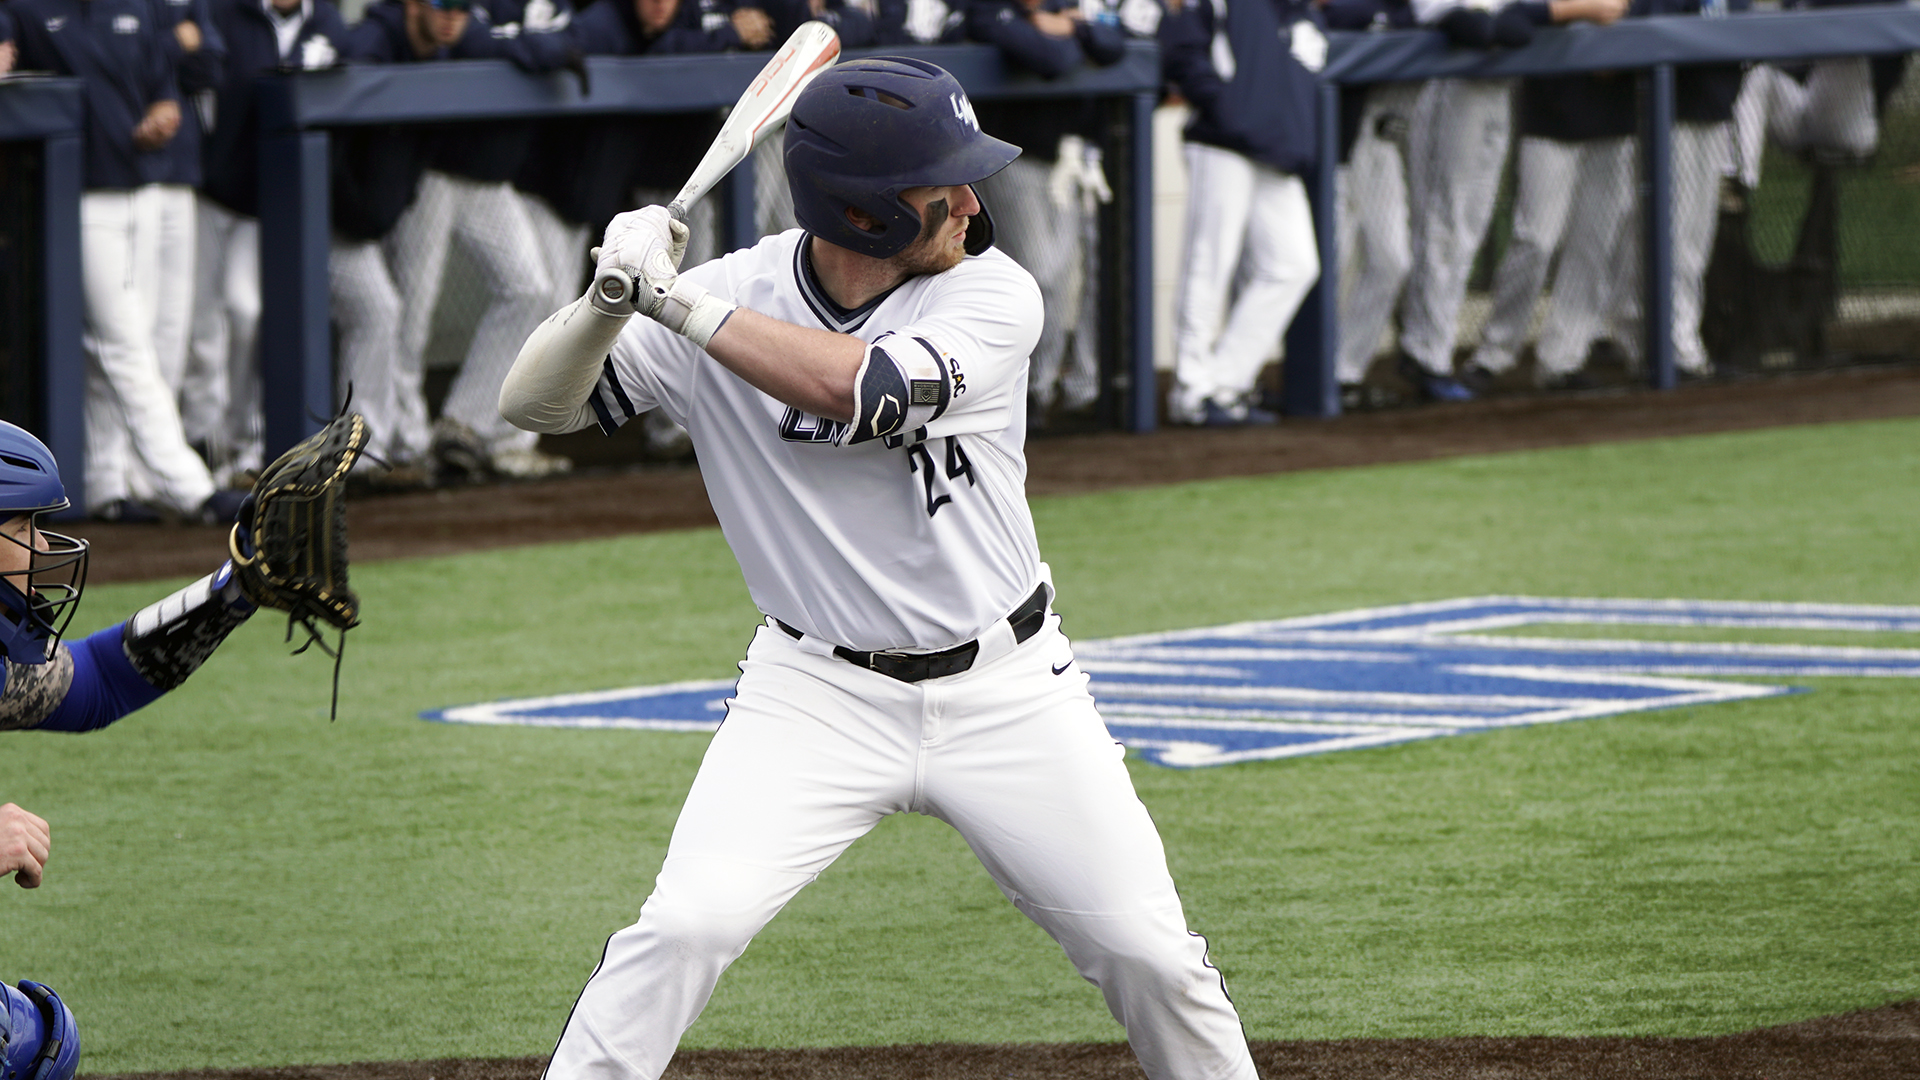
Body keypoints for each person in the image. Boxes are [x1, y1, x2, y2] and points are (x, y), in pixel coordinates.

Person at [498, 57, 1259, 1080]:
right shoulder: (731, 293)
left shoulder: (993, 294)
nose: (971, 202)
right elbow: (535, 407)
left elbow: (866, 390)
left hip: (1009, 689)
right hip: (814, 695)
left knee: (1151, 956)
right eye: (942, 184)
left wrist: (672, 306)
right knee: (685, 927)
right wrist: (604, 298)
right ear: (866, 214)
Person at [3, 0, 244, 522]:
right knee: (123, 345)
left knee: (137, 344)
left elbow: (169, 82)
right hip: (80, 195)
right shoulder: (27, 7)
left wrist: (162, 110)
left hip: (147, 186)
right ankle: (191, 488)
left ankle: (108, 483)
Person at [1393, 0, 1625, 403]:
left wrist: (1521, 18)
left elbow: (1512, 26)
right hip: (1449, 84)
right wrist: (1545, 14)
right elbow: (1484, 29)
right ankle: (1423, 352)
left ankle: (1432, 352)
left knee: (1466, 228)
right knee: (1443, 225)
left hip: (1495, 86)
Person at [194, 0, 348, 488]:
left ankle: (242, 448)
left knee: (245, 312)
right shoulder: (225, 12)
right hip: (208, 194)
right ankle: (197, 445)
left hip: (268, 205)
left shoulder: (324, 17)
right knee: (194, 329)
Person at [1159, 0, 1326, 425]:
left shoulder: (1301, 10)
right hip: (1222, 141)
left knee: (1295, 265)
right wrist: (1228, 106)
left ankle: (1225, 383)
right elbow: (1181, 49)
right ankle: (1193, 391)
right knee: (1210, 263)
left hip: (1277, 147)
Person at [966, 0, 1126, 430]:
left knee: (1078, 274)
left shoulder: (1069, 9)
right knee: (1039, 274)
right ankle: (1027, 390)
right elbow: (1051, 58)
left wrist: (1069, 25)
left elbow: (1117, 43)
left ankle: (1058, 390)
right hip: (1019, 156)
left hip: (1074, 157)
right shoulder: (987, 11)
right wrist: (1073, 34)